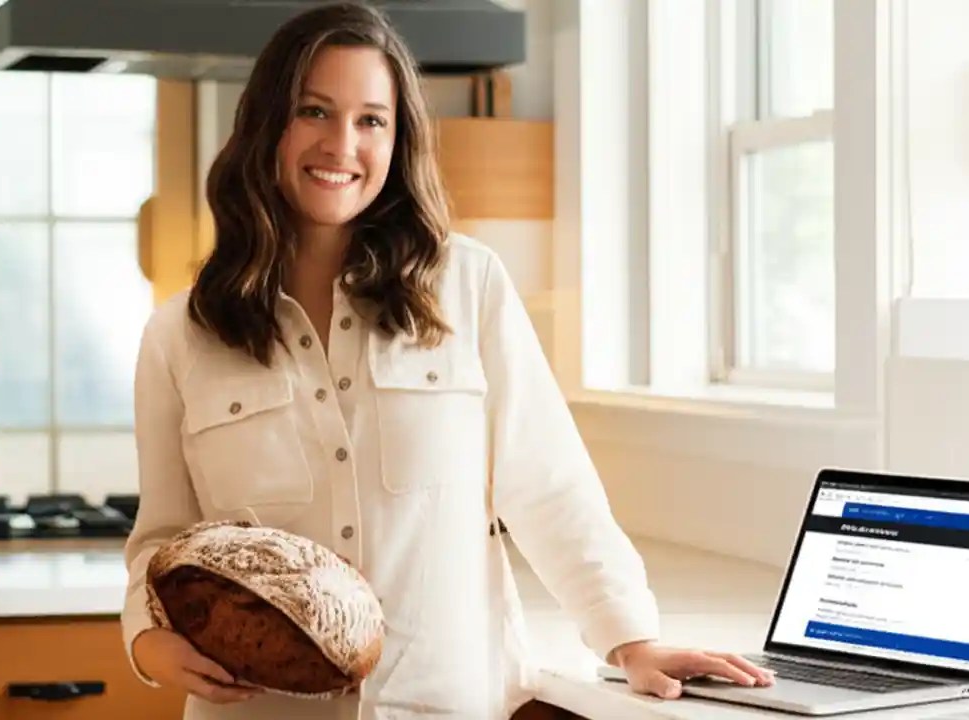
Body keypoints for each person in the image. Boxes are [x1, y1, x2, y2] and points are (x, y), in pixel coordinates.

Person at [120, 2, 773, 718]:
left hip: (442, 705)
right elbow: (161, 541)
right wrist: (148, 641)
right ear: (267, 125)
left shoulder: (469, 285)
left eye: (372, 119)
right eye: (314, 111)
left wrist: (630, 638)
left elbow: (548, 485)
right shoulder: (179, 336)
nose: (342, 144)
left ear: (398, 142)